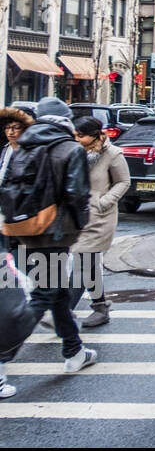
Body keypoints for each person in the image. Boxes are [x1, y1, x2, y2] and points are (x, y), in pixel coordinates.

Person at [0, 97, 95, 396]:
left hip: (25, 229)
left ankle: (74, 350)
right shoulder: (70, 149)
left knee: (57, 291)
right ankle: (2, 359)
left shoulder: (24, 147)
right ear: (66, 120)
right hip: (54, 234)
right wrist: (79, 225)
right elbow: (78, 194)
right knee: (44, 295)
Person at [70, 117, 130, 328]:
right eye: (75, 134)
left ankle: (63, 311)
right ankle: (100, 306)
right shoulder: (76, 151)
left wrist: (104, 202)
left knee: (82, 262)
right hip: (78, 215)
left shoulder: (112, 154)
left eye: (80, 135)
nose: (76, 138)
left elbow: (124, 181)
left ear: (95, 135)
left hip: (100, 216)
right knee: (89, 263)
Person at [0, 106, 35, 400]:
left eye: (15, 127)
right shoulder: (5, 152)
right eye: (7, 127)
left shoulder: (26, 153)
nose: (10, 132)